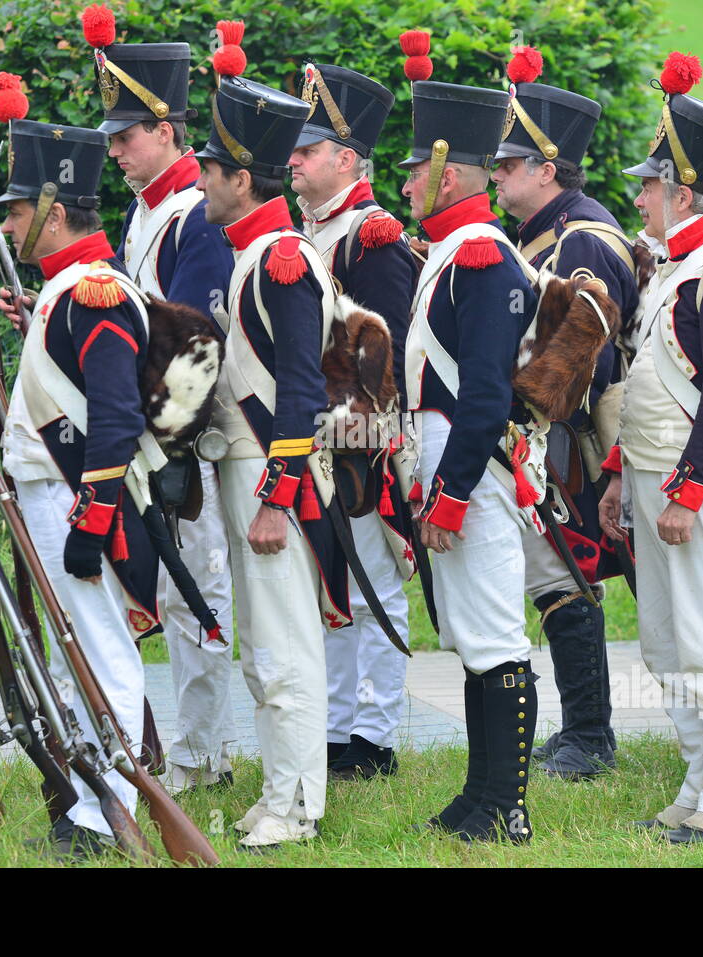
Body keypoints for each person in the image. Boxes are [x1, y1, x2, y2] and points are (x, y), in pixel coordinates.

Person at [598, 51, 703, 842]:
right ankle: (700, 780)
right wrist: (616, 477)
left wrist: (690, 486)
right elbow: (649, 384)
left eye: (649, 185)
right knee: (668, 643)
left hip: (694, 485)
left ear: (683, 192)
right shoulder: (676, 266)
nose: (639, 197)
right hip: (651, 477)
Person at [78, 12, 241, 796]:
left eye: (125, 137)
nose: (113, 151)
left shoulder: (190, 217)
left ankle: (205, 754)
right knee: (173, 592)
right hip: (153, 434)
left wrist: (159, 434)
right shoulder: (146, 213)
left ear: (167, 130)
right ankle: (187, 748)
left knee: (195, 591)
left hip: (188, 438)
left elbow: (194, 341)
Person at [0, 118, 159, 860]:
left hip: (74, 499)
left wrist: (93, 517)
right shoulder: (67, 291)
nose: (8, 223)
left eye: (18, 210)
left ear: (54, 213)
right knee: (75, 654)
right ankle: (90, 802)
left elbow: (117, 415)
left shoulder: (91, 291)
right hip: (56, 494)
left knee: (101, 652)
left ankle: (109, 813)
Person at [196, 20, 344, 849]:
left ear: (240, 176)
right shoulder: (256, 252)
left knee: (285, 648)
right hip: (246, 468)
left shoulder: (282, 258)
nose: (203, 185)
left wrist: (278, 495)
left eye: (212, 173)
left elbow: (300, 386)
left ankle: (301, 804)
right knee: (263, 650)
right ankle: (280, 788)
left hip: (269, 472)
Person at [396, 29, 541, 842]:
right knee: (471, 638)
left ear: (448, 173)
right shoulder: (454, 250)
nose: (408, 182)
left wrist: (449, 491)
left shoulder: (481, 257)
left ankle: (506, 806)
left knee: (495, 637)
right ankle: (480, 796)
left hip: (473, 471)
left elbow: (485, 393)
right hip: (451, 470)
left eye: (417, 169)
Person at [489, 45, 639, 780]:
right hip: (553, 438)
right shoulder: (541, 235)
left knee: (569, 573)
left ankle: (592, 734)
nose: (495, 175)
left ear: (546, 170)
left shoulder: (582, 239)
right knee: (555, 573)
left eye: (508, 164)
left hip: (580, 438)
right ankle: (583, 727)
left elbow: (591, 355)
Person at [288, 61, 419, 780]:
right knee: (328, 587)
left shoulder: (372, 237)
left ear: (344, 159)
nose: (293, 162)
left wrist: (353, 437)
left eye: (306, 152)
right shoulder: (312, 229)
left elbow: (386, 354)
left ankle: (374, 730)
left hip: (360, 448)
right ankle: (338, 725)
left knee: (372, 584)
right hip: (313, 441)